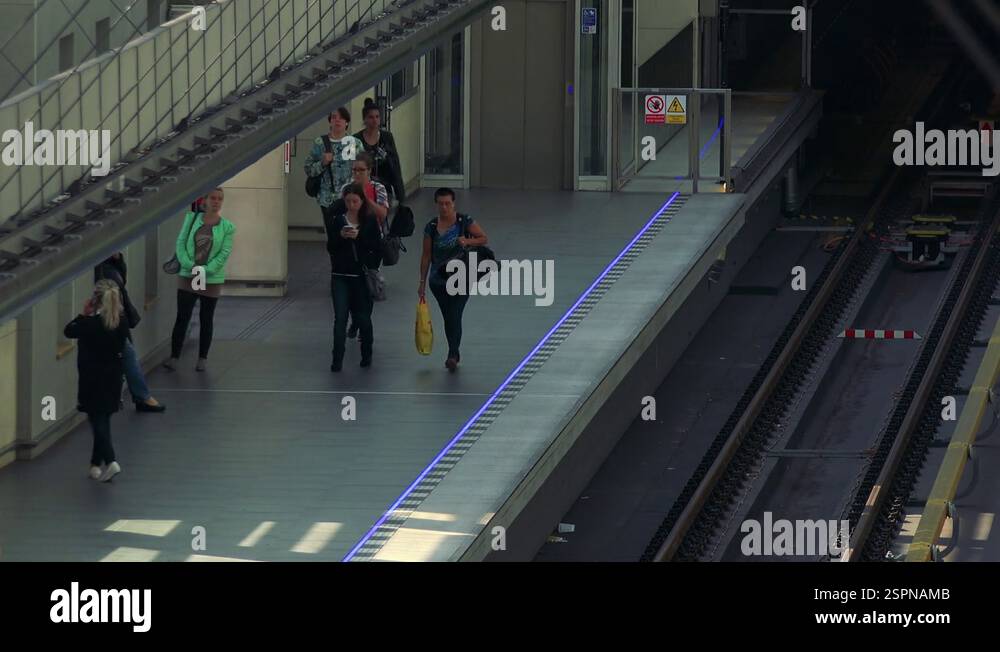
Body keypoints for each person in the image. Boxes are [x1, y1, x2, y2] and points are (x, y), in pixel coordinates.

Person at [64, 280, 130, 482]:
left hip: (92, 378)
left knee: (96, 420)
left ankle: (110, 461)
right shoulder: (121, 322)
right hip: (113, 377)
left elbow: (69, 331)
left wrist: (83, 313)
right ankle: (95, 465)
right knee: (103, 418)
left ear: (96, 300)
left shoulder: (90, 324)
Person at [164, 188, 236, 372]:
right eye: (213, 198)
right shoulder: (191, 219)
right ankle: (174, 356)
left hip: (211, 278)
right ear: (205, 200)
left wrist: (205, 269)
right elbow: (180, 244)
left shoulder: (227, 227)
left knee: (206, 318)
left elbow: (224, 253)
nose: (216, 202)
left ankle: (202, 358)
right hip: (189, 275)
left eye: (220, 199)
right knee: (183, 317)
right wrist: (190, 265)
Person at [418, 188, 488, 371]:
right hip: (438, 280)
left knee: (455, 314)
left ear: (453, 203)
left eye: (447, 203)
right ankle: (454, 351)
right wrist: (422, 283)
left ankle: (453, 354)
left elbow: (483, 238)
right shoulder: (431, 227)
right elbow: (426, 256)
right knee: (448, 316)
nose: (444, 207)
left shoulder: (464, 221)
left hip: (461, 277)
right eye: (440, 203)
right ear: (436, 204)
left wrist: (468, 241)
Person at [94, 253, 165, 413]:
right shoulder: (108, 271)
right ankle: (140, 397)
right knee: (127, 355)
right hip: (114, 320)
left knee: (124, 356)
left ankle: (134, 396)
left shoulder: (107, 269)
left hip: (113, 319)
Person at [324, 183, 383, 372]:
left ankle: (367, 352)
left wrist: (359, 238)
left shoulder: (369, 221)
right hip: (340, 275)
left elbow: (376, 248)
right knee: (340, 318)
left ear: (361, 201)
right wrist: (340, 236)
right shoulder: (337, 221)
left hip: (360, 276)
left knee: (362, 318)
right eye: (348, 201)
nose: (351, 205)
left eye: (355, 201)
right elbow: (330, 247)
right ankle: (337, 358)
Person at [304, 106, 365, 226]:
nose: (337, 121)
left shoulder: (354, 143)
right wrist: (322, 163)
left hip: (351, 198)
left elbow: (364, 169)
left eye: (341, 118)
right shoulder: (320, 143)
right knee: (333, 236)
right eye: (334, 117)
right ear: (330, 121)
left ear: (347, 122)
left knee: (350, 232)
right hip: (328, 199)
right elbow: (308, 169)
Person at [355, 98, 405, 204]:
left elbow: (395, 165)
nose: (375, 120)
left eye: (377, 117)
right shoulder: (356, 139)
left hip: (384, 187)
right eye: (371, 117)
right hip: (363, 188)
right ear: (365, 119)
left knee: (382, 216)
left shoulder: (387, 137)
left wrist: (400, 194)